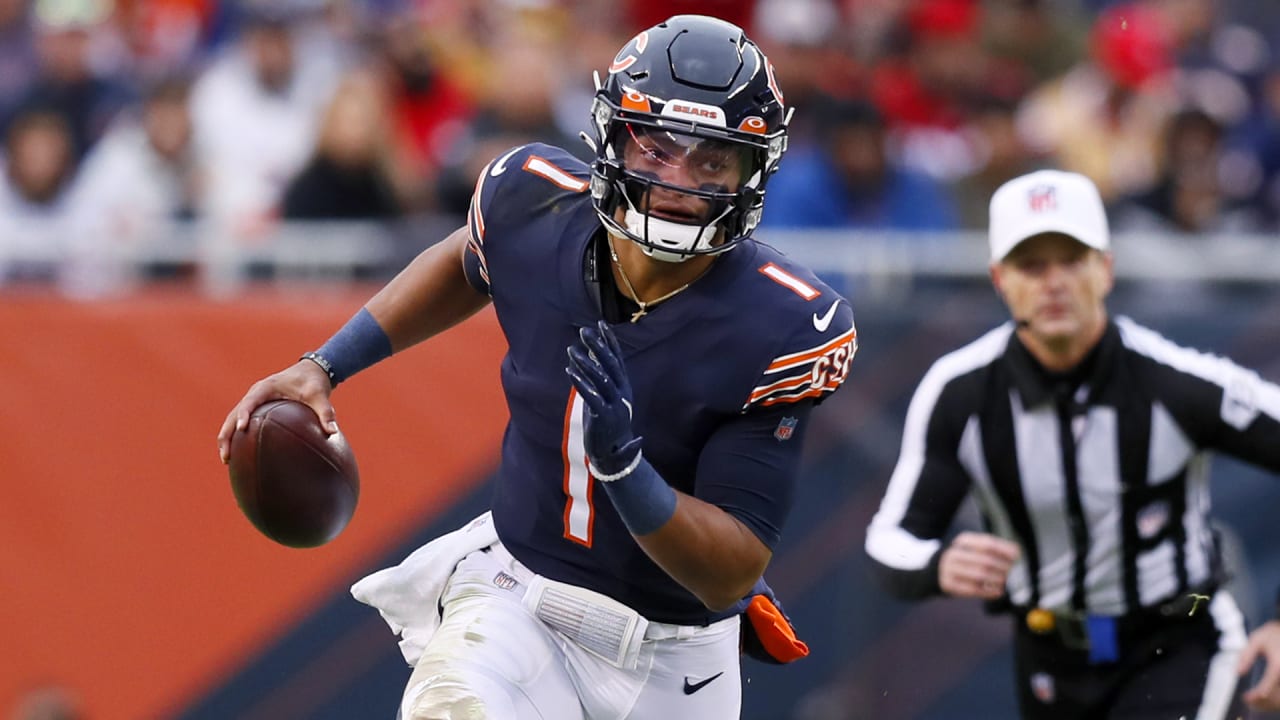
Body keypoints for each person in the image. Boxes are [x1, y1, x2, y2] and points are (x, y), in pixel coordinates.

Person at [217, 15, 856, 719]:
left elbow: (732, 570)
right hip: (514, 602)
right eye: (658, 150)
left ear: (755, 168)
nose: (678, 182)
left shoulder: (787, 323)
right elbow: (468, 260)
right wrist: (327, 365)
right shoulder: (534, 201)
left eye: (713, 160)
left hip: (670, 659)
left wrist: (627, 473)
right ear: (611, 140)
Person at [863, 168, 1280, 719]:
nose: (1053, 282)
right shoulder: (961, 391)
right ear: (999, 279)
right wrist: (936, 564)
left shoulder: (1175, 382)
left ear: (1105, 270)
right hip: (1046, 656)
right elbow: (892, 539)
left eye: (1072, 260)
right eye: (1032, 265)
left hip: (1178, 643)